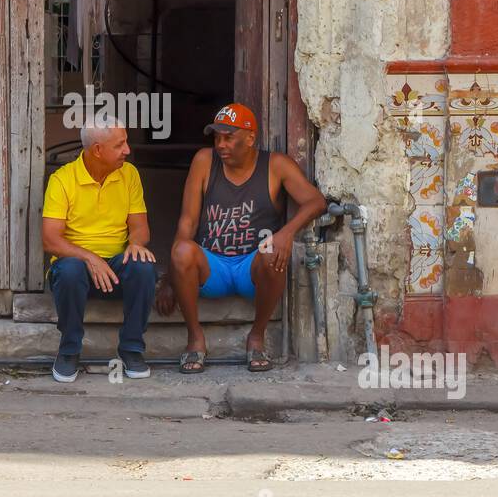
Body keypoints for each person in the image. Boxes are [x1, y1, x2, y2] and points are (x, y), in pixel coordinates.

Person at [155, 103, 326, 373]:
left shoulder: (275, 165)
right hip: (213, 268)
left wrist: (286, 233)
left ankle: (256, 337)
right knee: (183, 252)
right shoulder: (204, 160)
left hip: (251, 268)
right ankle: (195, 339)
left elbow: (316, 201)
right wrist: (168, 279)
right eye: (216, 138)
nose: (220, 144)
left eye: (228, 137)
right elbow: (187, 222)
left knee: (272, 252)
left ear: (250, 138)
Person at [42, 120, 157, 383]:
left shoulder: (129, 174)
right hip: (76, 271)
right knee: (69, 269)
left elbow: (140, 228)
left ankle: (132, 348)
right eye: (119, 145)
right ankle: (69, 350)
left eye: (126, 141)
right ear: (96, 150)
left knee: (143, 266)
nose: (127, 150)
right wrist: (89, 257)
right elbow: (50, 240)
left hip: (115, 268)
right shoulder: (62, 180)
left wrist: (136, 244)